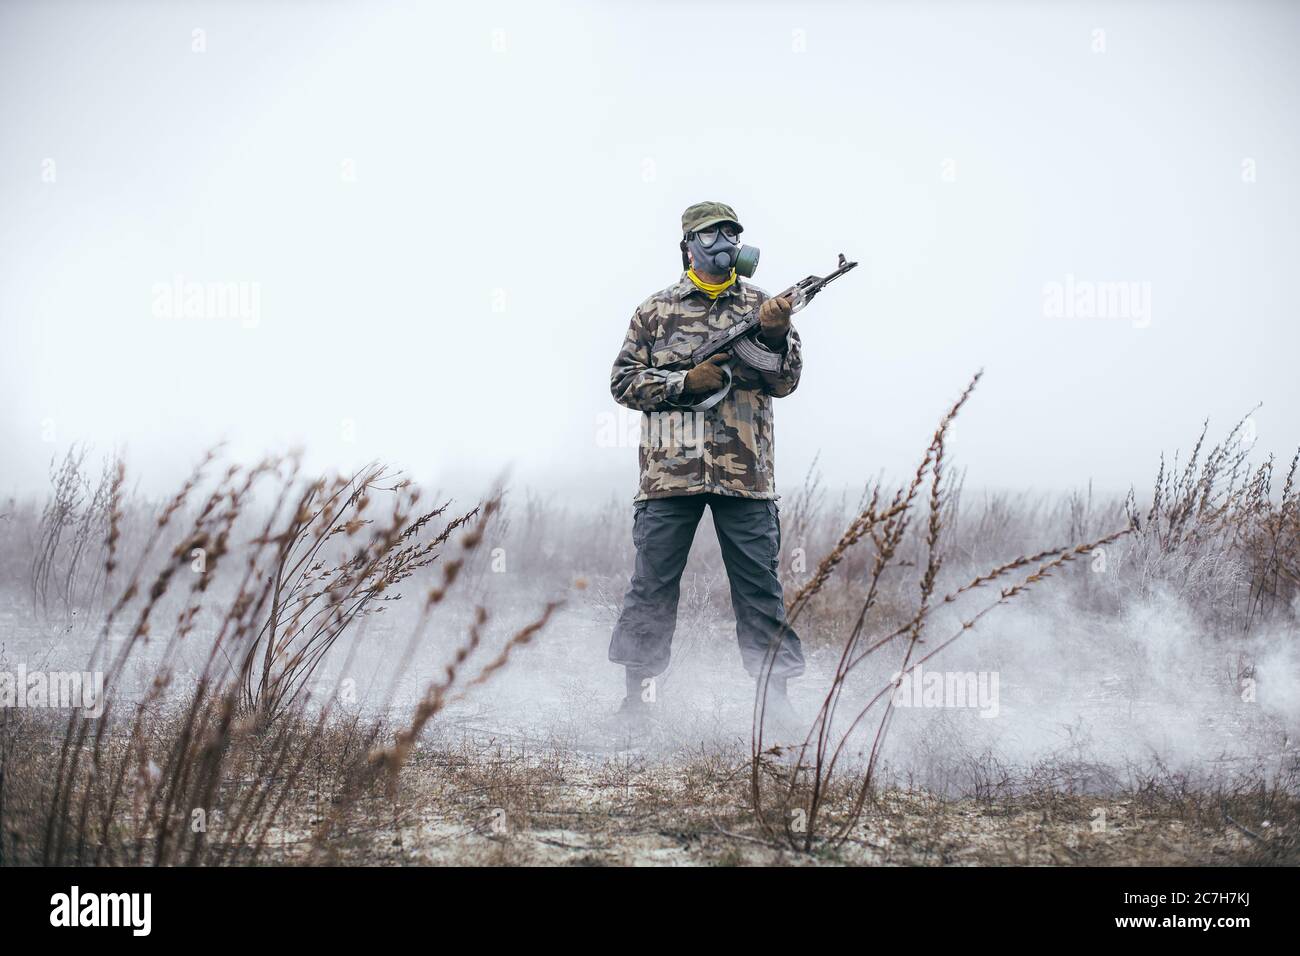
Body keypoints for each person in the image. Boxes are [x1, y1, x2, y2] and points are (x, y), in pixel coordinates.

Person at [608, 200, 804, 729]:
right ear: (687, 246)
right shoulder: (656, 311)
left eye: (731, 234)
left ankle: (776, 705)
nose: (723, 244)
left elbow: (784, 382)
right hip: (670, 476)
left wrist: (774, 335)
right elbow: (623, 383)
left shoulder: (766, 305)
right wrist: (681, 383)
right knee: (651, 588)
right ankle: (637, 702)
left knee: (759, 589)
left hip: (745, 476)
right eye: (711, 235)